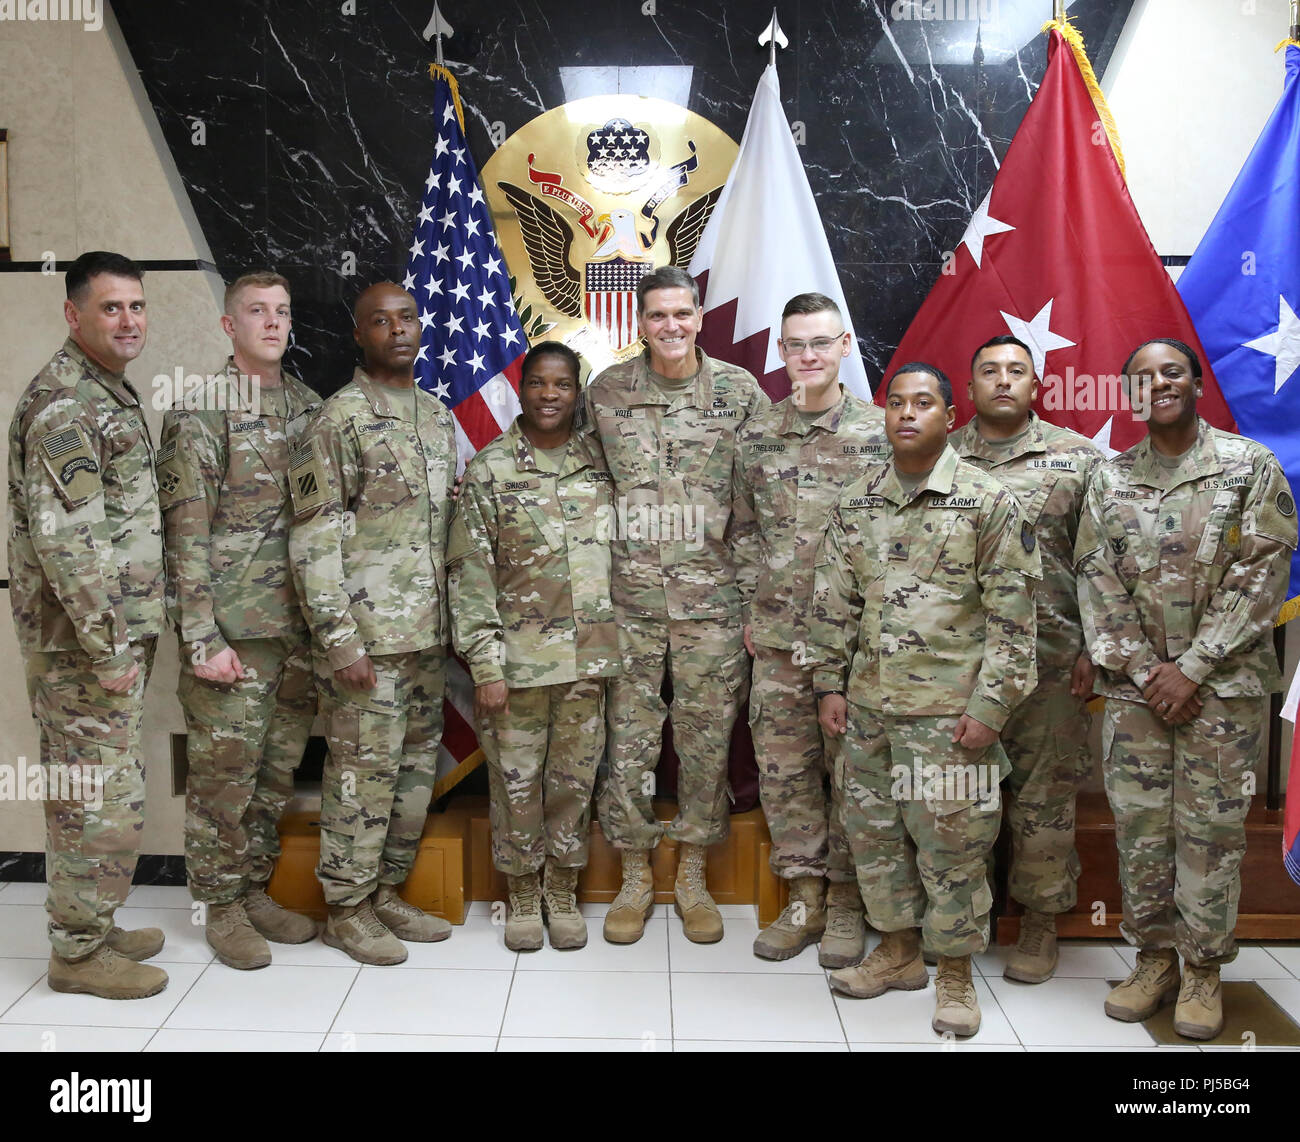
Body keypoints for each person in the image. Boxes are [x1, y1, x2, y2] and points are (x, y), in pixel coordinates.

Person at [810, 362, 1041, 1037]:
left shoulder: (986, 502)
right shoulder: (856, 502)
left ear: (949, 416)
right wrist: (828, 683)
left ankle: (955, 974)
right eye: (896, 403)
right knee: (875, 840)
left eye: (923, 403)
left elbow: (1015, 626)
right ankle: (900, 952)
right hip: (870, 713)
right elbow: (831, 605)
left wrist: (988, 711)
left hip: (951, 719)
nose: (907, 414)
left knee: (954, 848)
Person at [1075, 337, 1296, 1039]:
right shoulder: (1108, 481)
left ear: (1196, 382)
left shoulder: (1249, 466)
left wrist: (1193, 667)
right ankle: (1154, 960)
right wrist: (1147, 671)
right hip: (1139, 698)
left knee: (1210, 834)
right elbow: (1095, 581)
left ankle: (1204, 969)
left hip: (1221, 694)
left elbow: (1264, 574)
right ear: (1129, 395)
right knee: (1142, 830)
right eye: (1140, 376)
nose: (1158, 383)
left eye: (1171, 371)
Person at [581, 265, 769, 945]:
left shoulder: (739, 393)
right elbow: (589, 493)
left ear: (699, 317)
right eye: (656, 315)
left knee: (705, 741)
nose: (670, 327)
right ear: (639, 321)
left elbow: (756, 504)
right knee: (626, 742)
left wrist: (754, 603)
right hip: (627, 601)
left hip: (713, 603)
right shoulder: (607, 393)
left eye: (681, 314)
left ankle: (690, 872)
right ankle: (635, 872)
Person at [7, 251, 168, 998]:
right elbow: (69, 544)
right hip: (83, 649)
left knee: (108, 790)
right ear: (74, 315)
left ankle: (94, 924)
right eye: (111, 308)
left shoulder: (105, 389)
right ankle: (75, 953)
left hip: (110, 638)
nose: (128, 320)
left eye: (136, 305)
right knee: (89, 794)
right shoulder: (65, 403)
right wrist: (107, 648)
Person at [288, 281, 458, 966]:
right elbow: (311, 538)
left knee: (414, 774)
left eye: (407, 317)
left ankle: (384, 891)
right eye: (380, 322)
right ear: (359, 336)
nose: (398, 330)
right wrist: (339, 641)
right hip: (368, 645)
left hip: (426, 639)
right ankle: (346, 907)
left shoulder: (435, 415)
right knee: (360, 776)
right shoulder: (338, 420)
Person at [157, 271, 321, 969]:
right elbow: (183, 537)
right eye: (256, 311)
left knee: (275, 774)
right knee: (225, 780)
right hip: (232, 638)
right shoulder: (200, 414)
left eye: (281, 312)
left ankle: (252, 889)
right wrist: (200, 637)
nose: (272, 323)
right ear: (229, 325)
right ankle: (219, 906)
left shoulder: (312, 409)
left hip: (297, 633)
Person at [733, 292, 888, 965]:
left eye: (820, 343)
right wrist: (749, 603)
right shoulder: (759, 435)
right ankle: (804, 899)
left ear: (845, 346)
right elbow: (741, 531)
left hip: (854, 642)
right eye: (795, 345)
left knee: (854, 773)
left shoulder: (884, 433)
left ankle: (850, 903)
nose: (808, 356)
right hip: (776, 641)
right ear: (782, 352)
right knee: (786, 772)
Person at [447, 341, 617, 951]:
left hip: (588, 659)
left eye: (564, 384)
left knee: (572, 781)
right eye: (539, 383)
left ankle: (562, 890)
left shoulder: (601, 463)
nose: (550, 395)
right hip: (515, 665)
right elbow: (469, 576)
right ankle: (520, 891)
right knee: (516, 782)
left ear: (578, 391)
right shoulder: (492, 470)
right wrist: (485, 664)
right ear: (521, 388)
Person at [951, 334, 1102, 982]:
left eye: (1017, 370)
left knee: (1044, 803)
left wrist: (1099, 648)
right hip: (958, 662)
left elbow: (1103, 561)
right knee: (961, 797)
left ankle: (1040, 926)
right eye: (990, 370)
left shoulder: (1078, 459)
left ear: (1036, 384)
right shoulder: (939, 454)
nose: (1004, 380)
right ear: (970, 385)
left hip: (1051, 661)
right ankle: (965, 921)